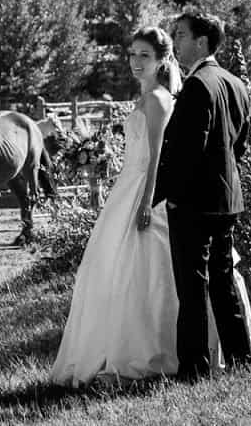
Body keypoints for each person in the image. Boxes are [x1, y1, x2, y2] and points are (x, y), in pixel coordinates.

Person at [50, 27, 182, 385]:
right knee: (106, 267)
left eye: (145, 56)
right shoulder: (142, 98)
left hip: (145, 189)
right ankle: (111, 346)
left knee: (145, 270)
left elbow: (156, 157)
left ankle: (147, 352)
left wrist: (145, 203)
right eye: (132, 54)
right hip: (126, 186)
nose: (136, 62)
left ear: (162, 60)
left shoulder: (157, 98)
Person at [154, 10, 251, 380]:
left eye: (180, 35)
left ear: (201, 41)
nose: (175, 42)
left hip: (194, 203)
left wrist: (172, 197)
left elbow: (186, 152)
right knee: (223, 282)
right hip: (227, 200)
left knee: (193, 288)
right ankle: (242, 359)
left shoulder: (198, 85)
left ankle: (194, 369)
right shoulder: (234, 83)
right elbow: (239, 145)